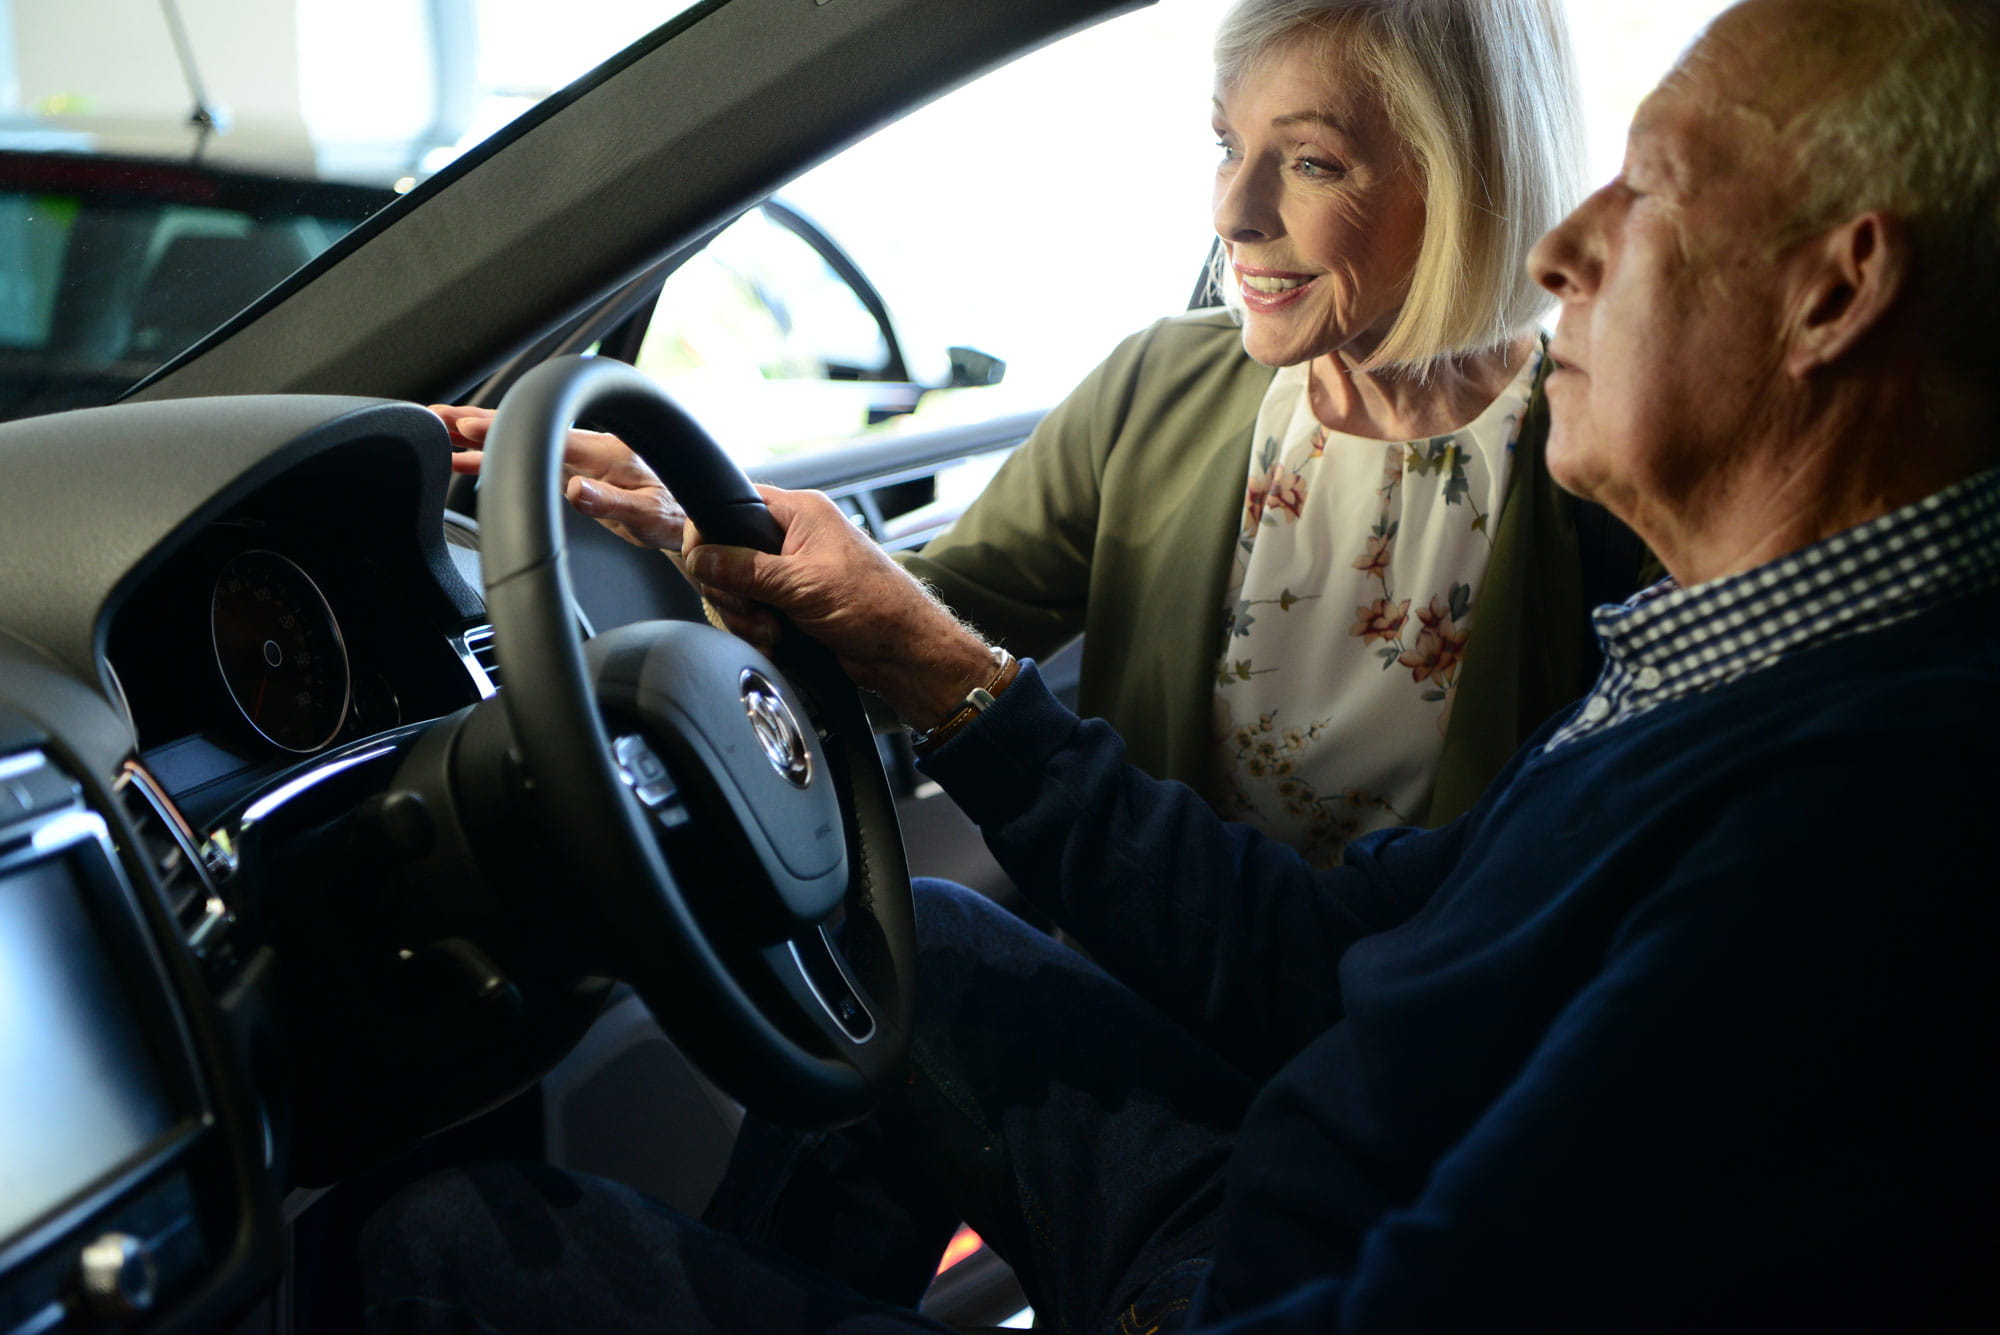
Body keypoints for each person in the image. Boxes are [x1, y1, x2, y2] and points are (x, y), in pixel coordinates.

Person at [368, 0, 2000, 1329]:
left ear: (1838, 291)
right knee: (911, 934)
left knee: (443, 1242)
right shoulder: (1720, 651)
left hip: (1285, 1250)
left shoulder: (1839, 791)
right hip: (1285, 1141)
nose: (1572, 244)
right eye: (1229, 151)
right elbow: (1339, 953)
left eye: (1648, 188)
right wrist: (696, 529)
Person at [436, 0, 1638, 868]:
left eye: (1309, 161)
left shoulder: (1603, 465)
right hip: (1152, 987)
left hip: (1390, 1069)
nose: (1231, 208)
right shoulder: (1160, 387)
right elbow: (915, 619)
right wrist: (688, 503)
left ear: (1465, 171)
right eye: (1227, 145)